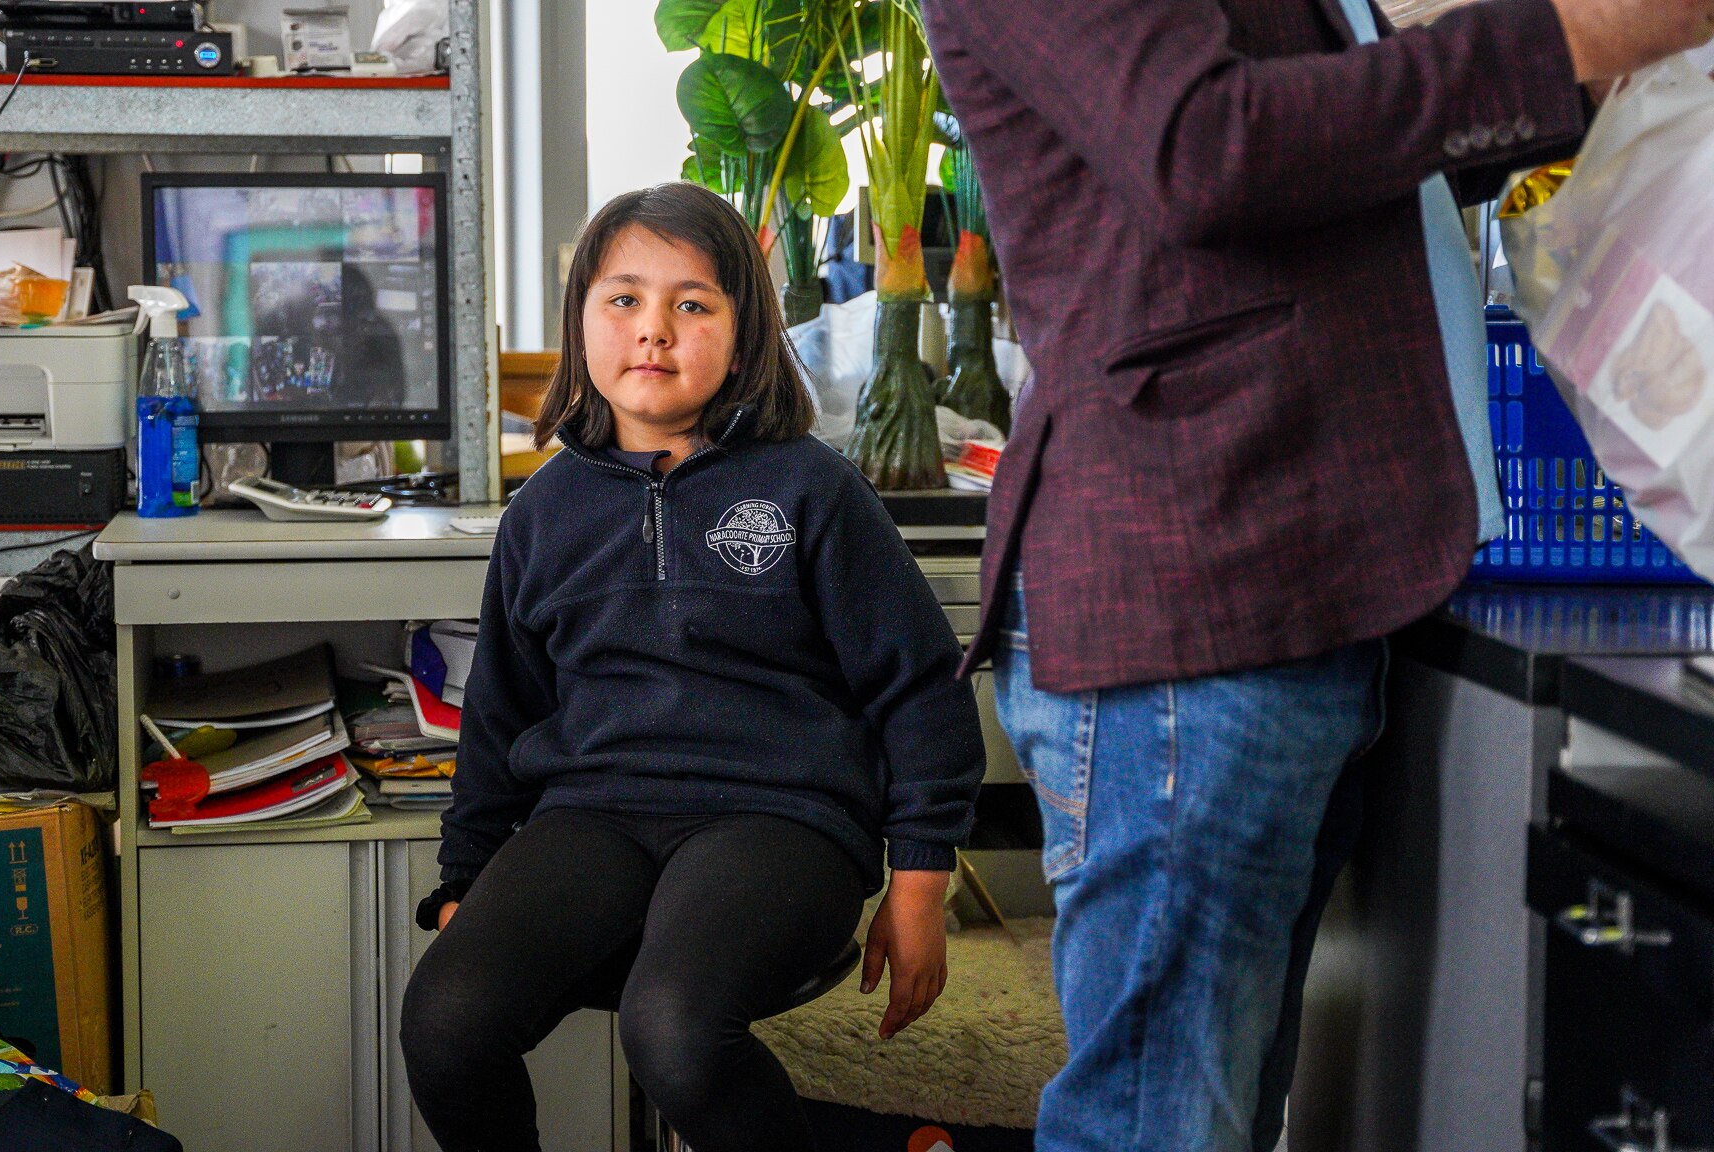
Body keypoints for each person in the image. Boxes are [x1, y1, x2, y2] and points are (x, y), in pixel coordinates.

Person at [923, 0, 1714, 1150]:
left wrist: (1594, 74)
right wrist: (1564, 40)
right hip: (1199, 578)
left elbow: (1347, 136)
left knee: (1212, 1112)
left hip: (1275, 566)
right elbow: (1205, 146)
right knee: (1159, 1122)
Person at [398, 181, 987, 1152]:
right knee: (445, 1021)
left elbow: (918, 685)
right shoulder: (540, 513)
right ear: (580, 321)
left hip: (780, 817)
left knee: (670, 1029)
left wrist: (920, 878)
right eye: (624, 299)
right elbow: (500, 716)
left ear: (744, 336)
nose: (653, 329)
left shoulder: (812, 488)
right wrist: (465, 876)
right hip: (592, 814)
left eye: (693, 304)